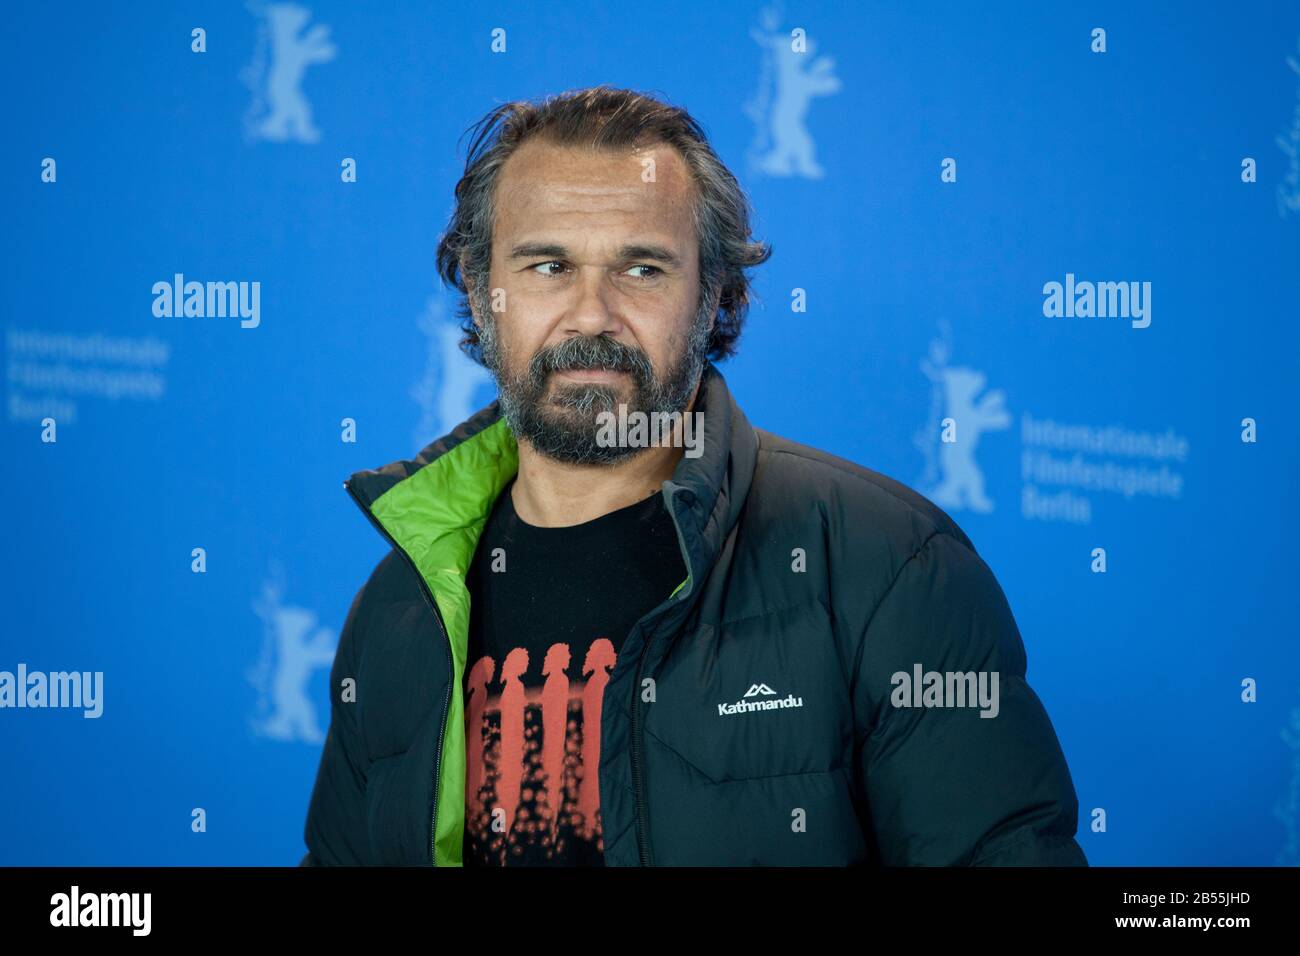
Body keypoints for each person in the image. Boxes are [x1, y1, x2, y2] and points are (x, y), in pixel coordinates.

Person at [300, 85, 1086, 867]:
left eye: (642, 269)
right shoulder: (403, 608)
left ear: (715, 295)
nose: (592, 315)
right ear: (480, 290)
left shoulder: (890, 568)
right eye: (547, 265)